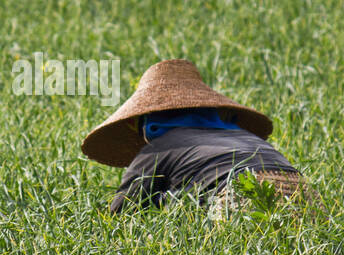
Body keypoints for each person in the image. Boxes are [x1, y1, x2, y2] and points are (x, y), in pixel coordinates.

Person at [81, 58, 316, 216]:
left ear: (144, 120)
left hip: (242, 191)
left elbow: (123, 215)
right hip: (304, 194)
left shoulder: (159, 148)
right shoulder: (246, 137)